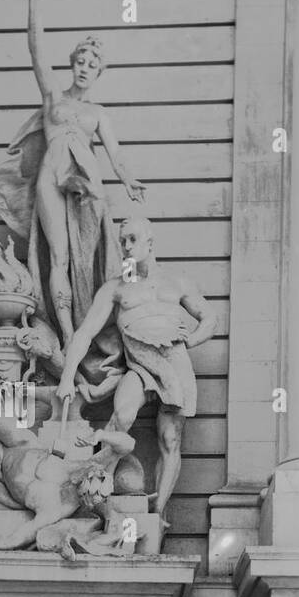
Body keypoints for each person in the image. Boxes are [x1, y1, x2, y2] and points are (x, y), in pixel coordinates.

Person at [0, 0, 145, 350]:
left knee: (87, 259)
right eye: (81, 61)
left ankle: (90, 326)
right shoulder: (54, 96)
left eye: (93, 64)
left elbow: (116, 154)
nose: (86, 68)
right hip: (51, 176)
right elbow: (35, 47)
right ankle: (68, 333)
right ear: (73, 63)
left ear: (100, 72)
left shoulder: (99, 114)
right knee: (58, 256)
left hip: (86, 184)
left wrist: (128, 180)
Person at [57, 211, 216, 526]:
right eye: (122, 241)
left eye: (132, 240)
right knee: (123, 416)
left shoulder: (178, 282)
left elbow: (209, 318)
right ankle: (96, 494)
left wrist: (192, 340)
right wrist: (65, 377)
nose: (127, 246)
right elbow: (85, 333)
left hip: (174, 364)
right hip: (138, 367)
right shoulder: (115, 288)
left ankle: (158, 514)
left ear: (150, 242)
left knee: (170, 440)